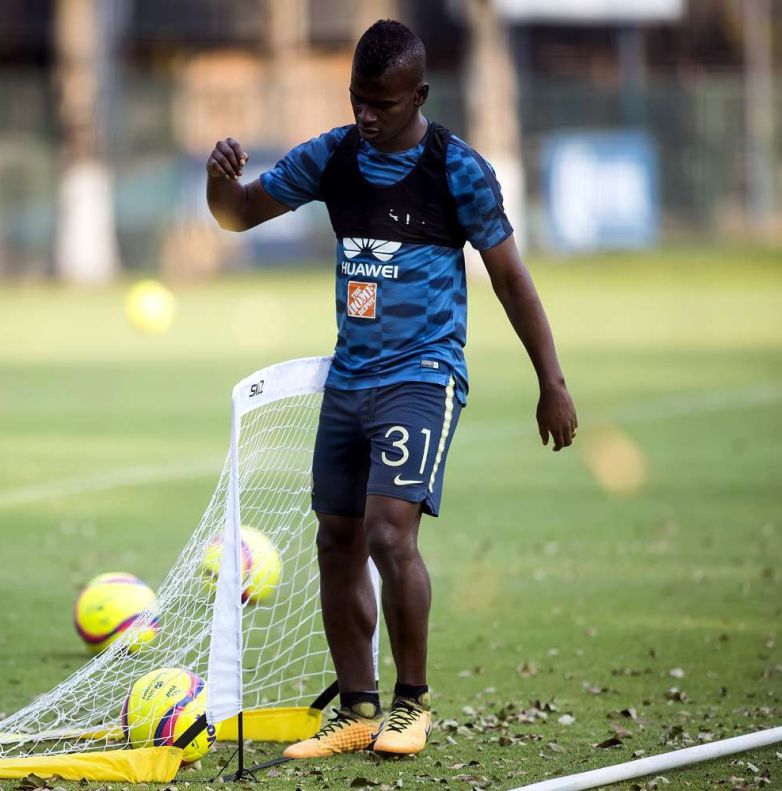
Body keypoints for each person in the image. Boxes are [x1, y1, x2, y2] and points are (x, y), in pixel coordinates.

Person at [205, 19, 577, 759]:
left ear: (420, 95)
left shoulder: (456, 168)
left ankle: (412, 702)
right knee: (336, 537)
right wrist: (218, 183)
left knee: (387, 533)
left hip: (423, 375)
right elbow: (239, 215)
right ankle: (355, 710)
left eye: (382, 103)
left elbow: (509, 277)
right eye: (357, 99)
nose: (366, 116)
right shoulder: (335, 156)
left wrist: (552, 382)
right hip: (351, 377)